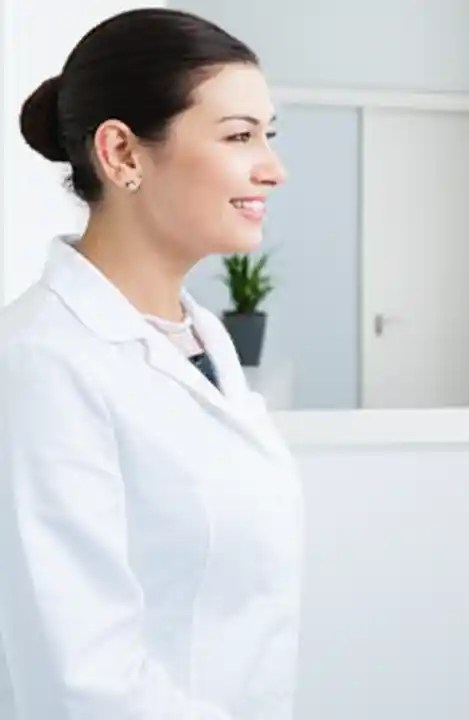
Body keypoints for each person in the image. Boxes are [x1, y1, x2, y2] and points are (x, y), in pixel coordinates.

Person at [0, 9, 301, 719]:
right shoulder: (42, 363)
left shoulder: (199, 340)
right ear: (123, 154)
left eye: (269, 135)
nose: (273, 168)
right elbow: (80, 683)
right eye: (239, 136)